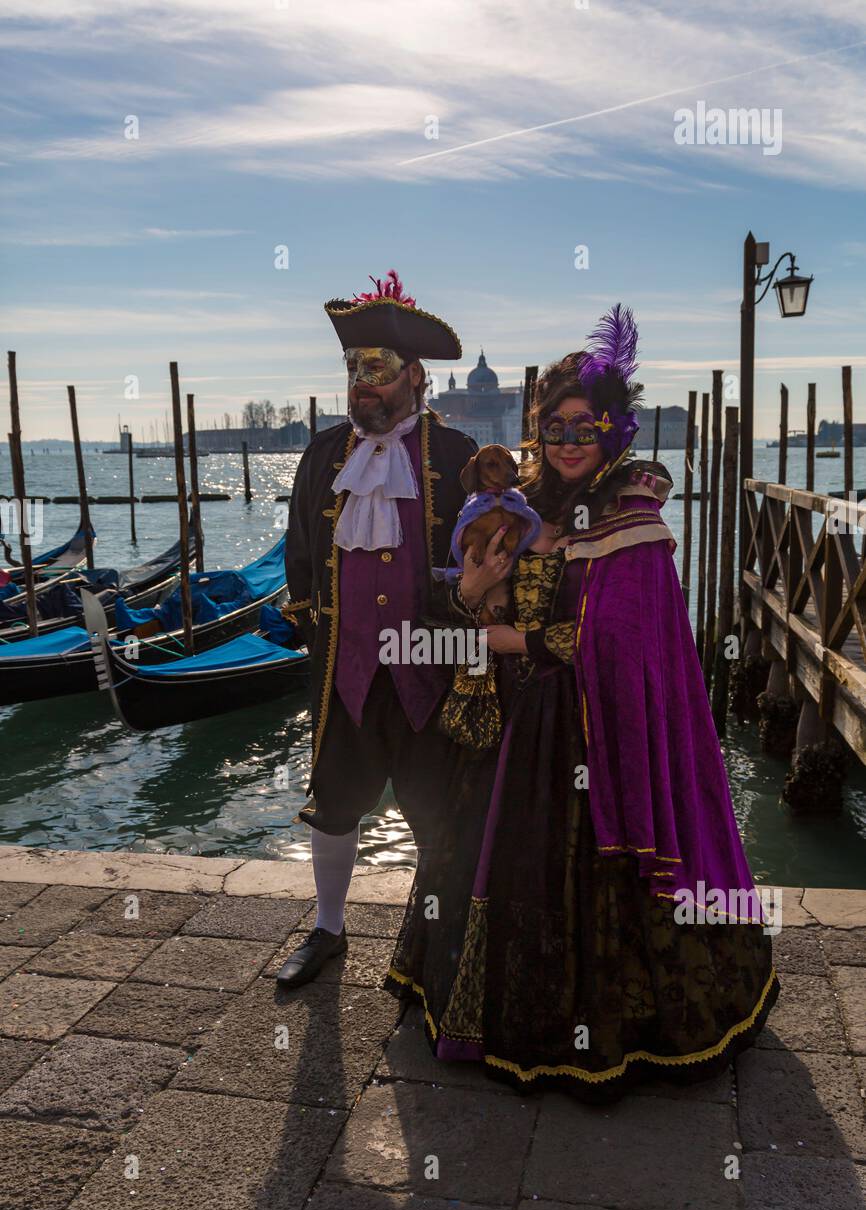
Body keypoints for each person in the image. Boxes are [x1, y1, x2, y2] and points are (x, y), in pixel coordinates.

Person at [384, 305, 779, 1102]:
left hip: (592, 738)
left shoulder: (633, 518)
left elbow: (624, 648)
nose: (567, 442)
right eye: (554, 427)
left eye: (584, 426)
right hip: (508, 733)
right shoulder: (520, 505)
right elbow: (474, 605)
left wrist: (519, 647)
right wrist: (471, 594)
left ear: (615, 429)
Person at [279, 270, 476, 987]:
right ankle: (329, 929)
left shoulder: (459, 461)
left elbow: (487, 557)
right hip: (347, 669)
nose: (363, 385)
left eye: (378, 371)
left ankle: (430, 952)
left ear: (415, 378)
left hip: (434, 668)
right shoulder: (325, 456)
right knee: (334, 806)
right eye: (353, 371)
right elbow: (302, 553)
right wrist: (315, 638)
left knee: (438, 815)